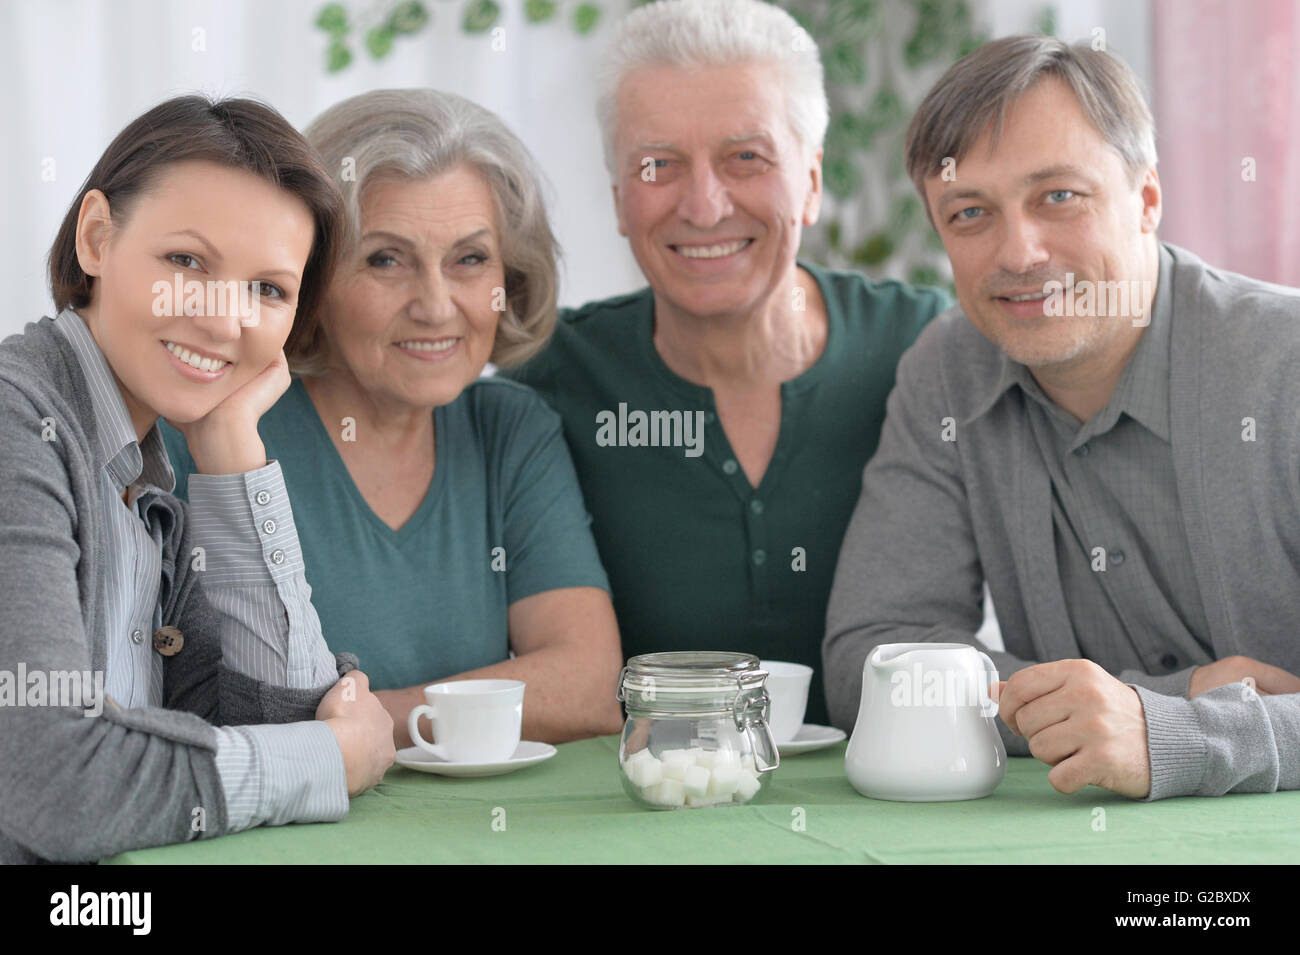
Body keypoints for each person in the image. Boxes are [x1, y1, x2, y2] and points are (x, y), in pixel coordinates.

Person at [824, 35, 1300, 799]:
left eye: (1059, 196)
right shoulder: (947, 372)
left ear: (1146, 199)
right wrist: (1162, 705)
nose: (1019, 251)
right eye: (970, 211)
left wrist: (1171, 733)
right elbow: (872, 661)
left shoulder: (1286, 363)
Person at [503, 0, 949, 726]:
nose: (704, 206)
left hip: (896, 807)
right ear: (620, 200)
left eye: (747, 158)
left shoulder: (925, 351)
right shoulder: (548, 378)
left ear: (811, 181)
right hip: (641, 817)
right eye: (659, 165)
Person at [0, 95, 396, 864]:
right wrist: (332, 758)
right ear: (96, 238)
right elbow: (49, 777)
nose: (223, 321)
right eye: (187, 262)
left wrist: (230, 449)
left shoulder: (151, 481)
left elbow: (280, 717)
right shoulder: (17, 422)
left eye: (267, 291)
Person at [164, 89, 625, 749]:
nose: (437, 307)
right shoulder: (216, 432)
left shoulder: (511, 432)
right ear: (310, 279)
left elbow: (586, 684)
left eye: (469, 259)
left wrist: (365, 722)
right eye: (385, 259)